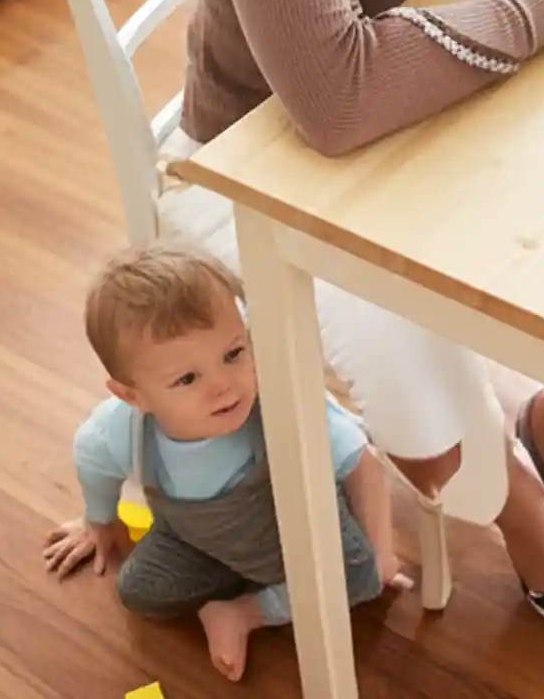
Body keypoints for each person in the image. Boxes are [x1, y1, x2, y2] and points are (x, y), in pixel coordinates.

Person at [155, 0, 544, 638]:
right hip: (255, 156)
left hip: (447, 79)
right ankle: (519, 509)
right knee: (390, 334)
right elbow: (338, 100)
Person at [42, 243, 409, 682]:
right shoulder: (119, 431)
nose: (224, 386)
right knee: (139, 592)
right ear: (132, 395)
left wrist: (382, 551)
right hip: (200, 541)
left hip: (302, 531)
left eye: (234, 354)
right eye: (187, 378)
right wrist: (99, 521)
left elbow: (363, 464)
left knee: (362, 577)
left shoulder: (279, 402)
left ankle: (246, 612)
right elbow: (91, 459)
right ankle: (263, 587)